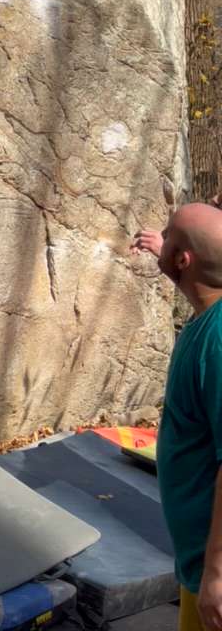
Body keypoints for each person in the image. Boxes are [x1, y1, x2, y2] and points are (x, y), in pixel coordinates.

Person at [132, 204, 222, 631]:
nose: (158, 238)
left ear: (183, 259)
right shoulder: (207, 318)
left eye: (166, 235)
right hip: (196, 563)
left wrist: (217, 576)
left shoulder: (219, 342)